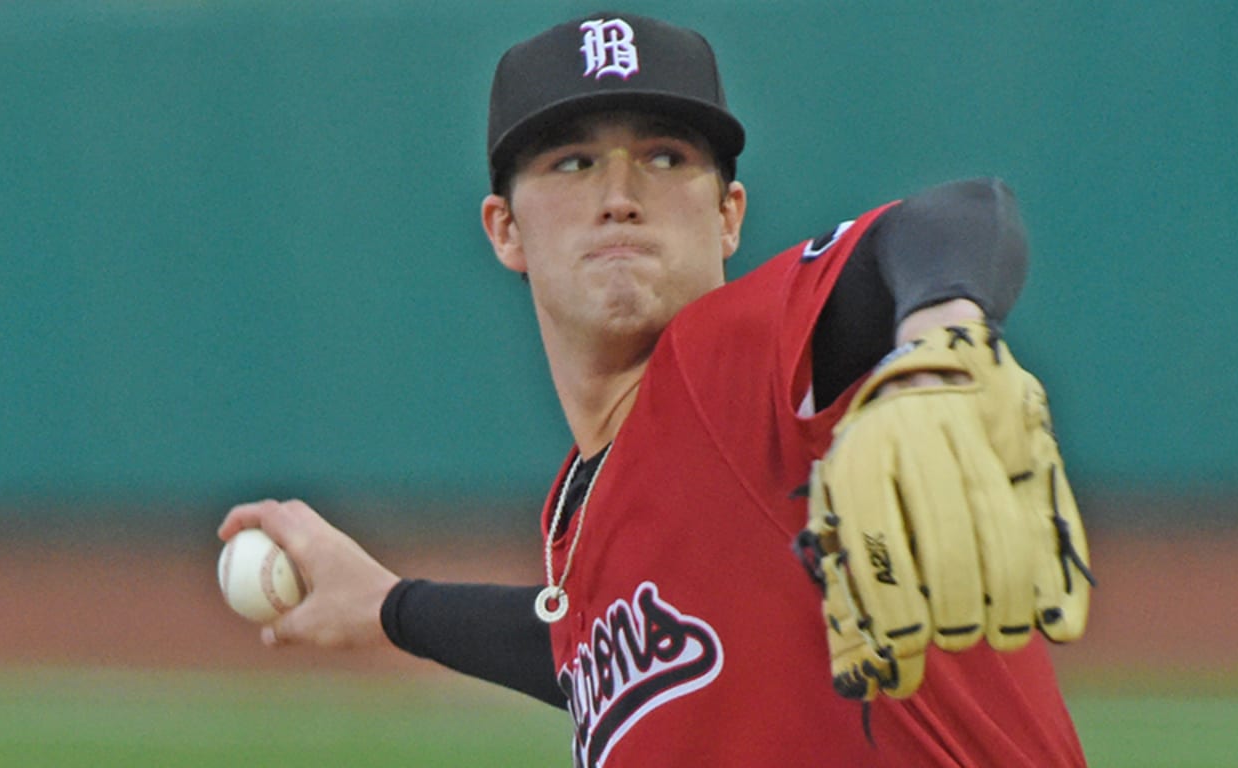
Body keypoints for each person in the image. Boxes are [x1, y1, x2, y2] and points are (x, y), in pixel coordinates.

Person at [220, 11, 1091, 767]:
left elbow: (956, 214)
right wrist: (392, 608)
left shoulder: (735, 363)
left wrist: (937, 337)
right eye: (572, 164)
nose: (620, 197)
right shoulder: (583, 498)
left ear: (729, 215)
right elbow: (596, 644)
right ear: (504, 229)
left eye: (665, 158)